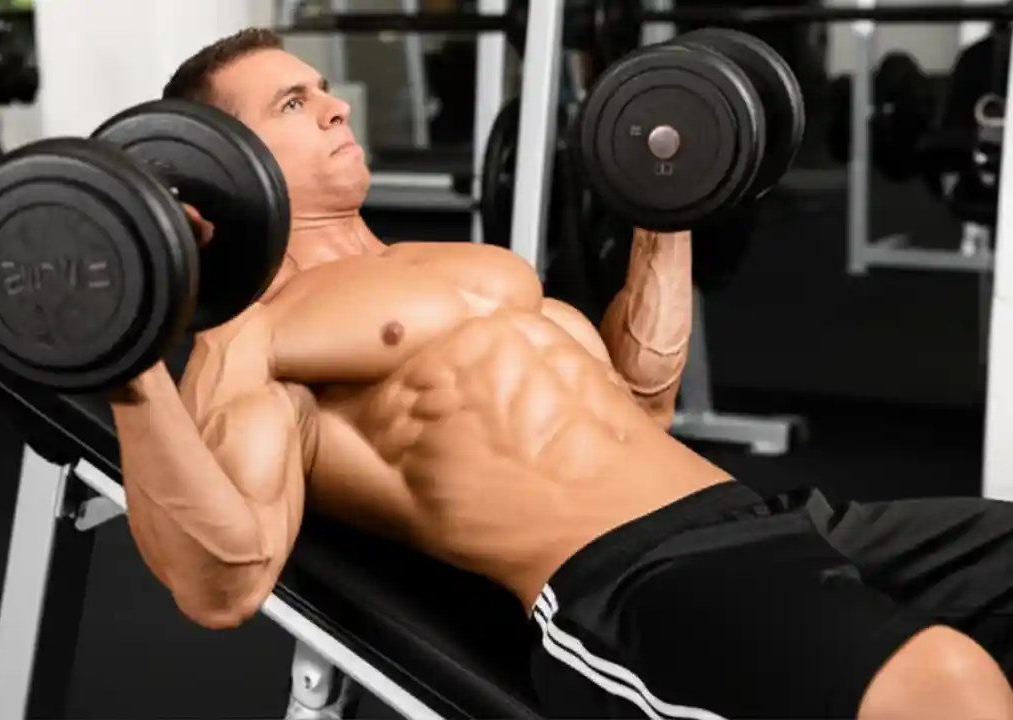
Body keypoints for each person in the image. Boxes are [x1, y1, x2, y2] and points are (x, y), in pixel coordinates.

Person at [108, 28, 1013, 720]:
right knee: (947, 689)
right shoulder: (260, 337)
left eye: (322, 89)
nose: (337, 106)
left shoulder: (455, 260)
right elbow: (220, 584)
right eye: (292, 106)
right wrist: (146, 341)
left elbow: (645, 403)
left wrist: (668, 212)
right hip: (636, 584)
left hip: (765, 515)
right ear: (217, 169)